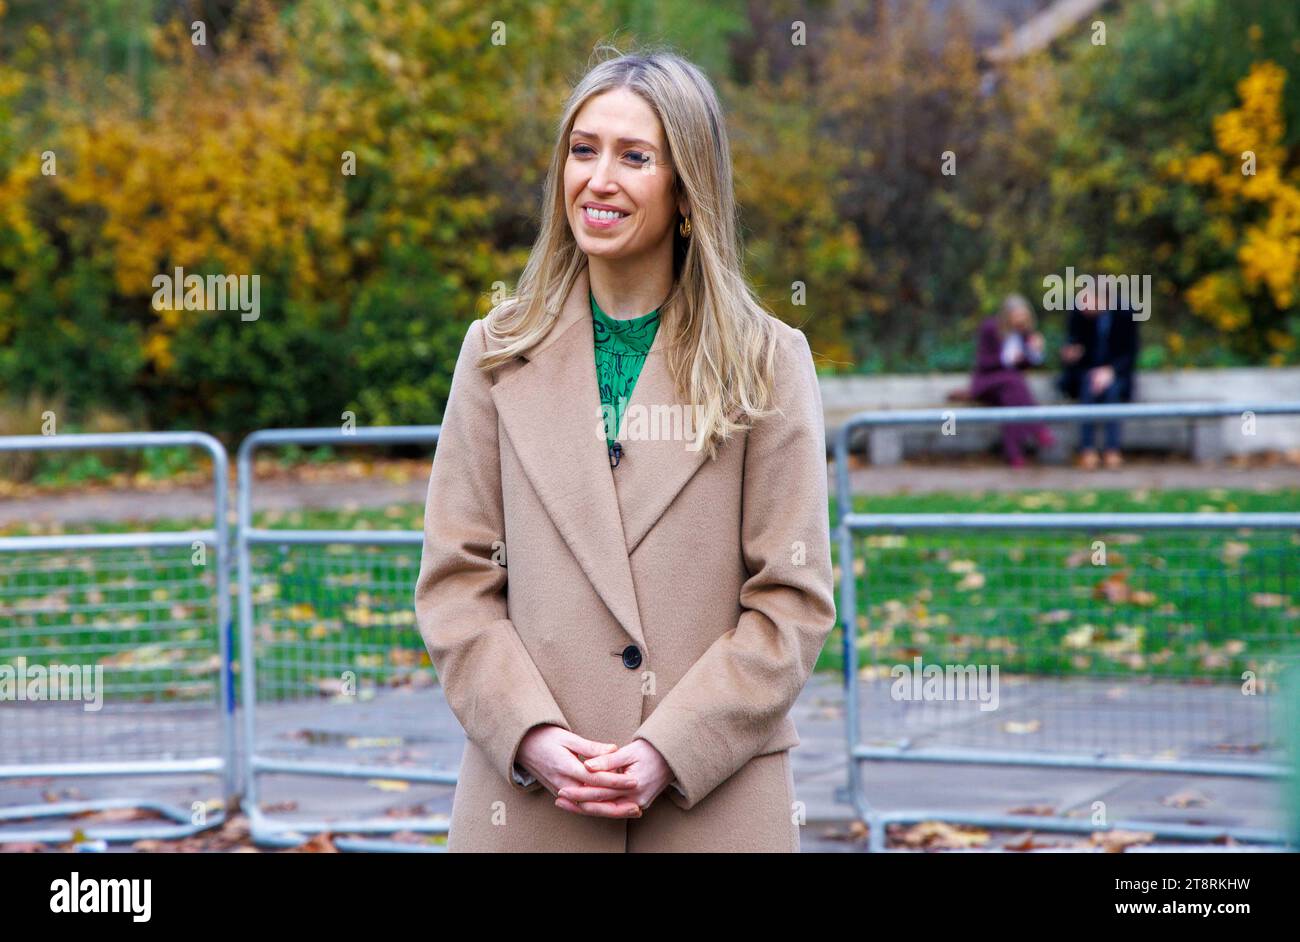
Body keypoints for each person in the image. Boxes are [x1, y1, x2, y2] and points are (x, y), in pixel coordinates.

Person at [412, 48, 835, 852]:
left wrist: (668, 750)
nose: (598, 179)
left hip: (709, 802)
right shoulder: (496, 350)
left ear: (687, 190)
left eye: (634, 156)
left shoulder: (766, 362)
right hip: (532, 804)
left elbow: (792, 601)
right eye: (583, 149)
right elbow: (456, 581)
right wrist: (529, 734)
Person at [1057, 284, 1140, 470]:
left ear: (1104, 300)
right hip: (1087, 374)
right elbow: (1072, 346)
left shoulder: (1125, 313)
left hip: (1116, 374)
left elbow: (1130, 354)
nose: (1083, 305)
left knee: (1112, 390)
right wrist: (1071, 355)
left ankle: (1112, 450)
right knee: (1088, 387)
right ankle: (1088, 450)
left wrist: (1110, 371)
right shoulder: (1079, 314)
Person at [969, 294, 1056, 467]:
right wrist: (1007, 359)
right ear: (1007, 315)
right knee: (1013, 381)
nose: (1019, 320)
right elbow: (984, 362)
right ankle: (1038, 429)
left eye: (1023, 316)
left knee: (1012, 399)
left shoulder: (1024, 334)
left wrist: (1034, 352)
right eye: (1016, 316)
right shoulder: (990, 328)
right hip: (986, 384)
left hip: (1008, 390)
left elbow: (1025, 365)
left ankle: (1015, 455)